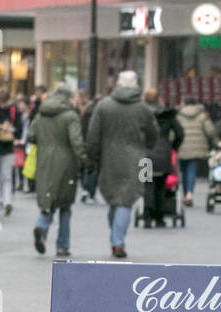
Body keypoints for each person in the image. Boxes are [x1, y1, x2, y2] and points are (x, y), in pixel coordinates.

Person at [85, 70, 157, 259]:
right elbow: (153, 134)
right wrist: (147, 145)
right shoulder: (143, 109)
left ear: (117, 83)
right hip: (136, 159)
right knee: (126, 200)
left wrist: (91, 160)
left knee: (114, 199)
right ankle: (118, 241)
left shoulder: (104, 106)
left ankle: (116, 238)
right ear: (135, 85)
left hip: (109, 158)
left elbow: (93, 137)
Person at [27, 80, 85, 258]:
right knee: (65, 205)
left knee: (48, 199)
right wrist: (85, 159)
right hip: (66, 163)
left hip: (44, 161)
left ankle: (42, 226)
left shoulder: (42, 113)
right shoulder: (70, 116)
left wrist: (45, 144)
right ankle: (62, 245)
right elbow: (76, 142)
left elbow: (31, 135)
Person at [144, 89, 182, 226]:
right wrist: (173, 147)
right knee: (161, 184)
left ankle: (147, 216)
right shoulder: (168, 115)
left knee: (147, 184)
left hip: (146, 153)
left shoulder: (142, 114)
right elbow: (179, 133)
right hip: (163, 152)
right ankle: (159, 217)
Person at [174, 96, 214, 206]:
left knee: (183, 171)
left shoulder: (178, 115)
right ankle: (189, 194)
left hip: (181, 147)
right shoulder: (202, 115)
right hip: (197, 147)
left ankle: (185, 193)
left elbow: (174, 131)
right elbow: (210, 131)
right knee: (191, 171)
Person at [77, 90, 98, 202]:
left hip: (86, 140)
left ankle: (87, 189)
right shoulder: (79, 109)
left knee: (89, 165)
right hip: (85, 140)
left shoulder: (90, 110)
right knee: (88, 166)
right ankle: (87, 190)